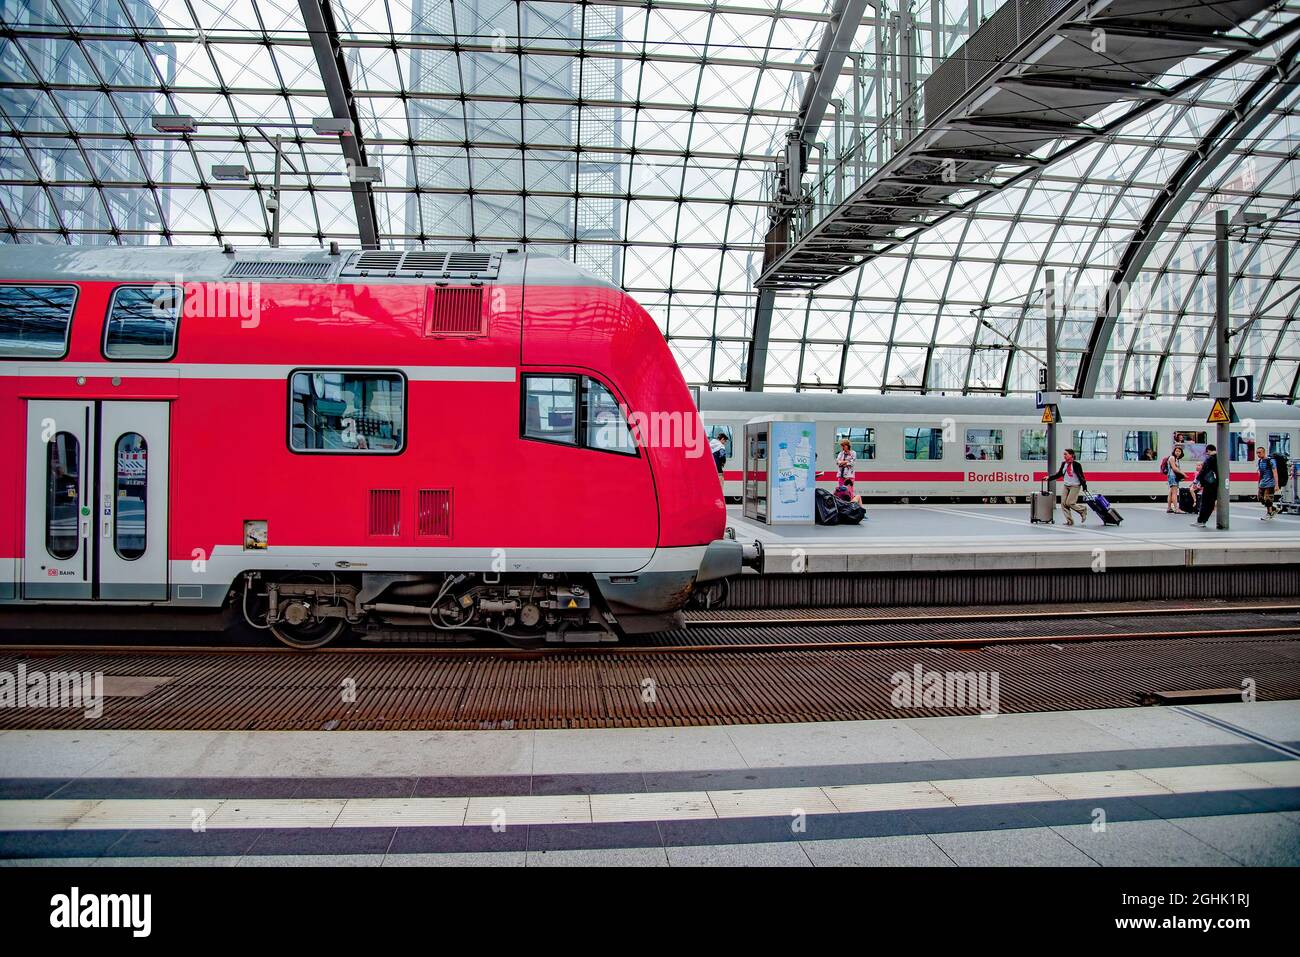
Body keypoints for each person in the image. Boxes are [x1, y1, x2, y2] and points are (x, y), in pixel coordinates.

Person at [1047, 448, 1089, 526]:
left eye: (1066, 454)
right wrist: (1049, 478)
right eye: (1064, 454)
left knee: (1069, 503)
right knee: (1063, 503)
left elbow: (1081, 477)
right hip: (1066, 485)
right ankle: (1070, 521)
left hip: (1075, 486)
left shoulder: (1077, 465)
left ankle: (1083, 510)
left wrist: (1084, 487)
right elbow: (1059, 474)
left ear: (1071, 455)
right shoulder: (1064, 464)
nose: (1064, 456)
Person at [1192, 444, 1219, 528]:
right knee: (1211, 504)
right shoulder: (1220, 458)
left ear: (1208, 451)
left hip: (1209, 484)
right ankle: (1204, 520)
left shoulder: (1209, 459)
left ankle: (1200, 521)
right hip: (1216, 484)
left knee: (1204, 503)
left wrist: (1196, 481)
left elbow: (1203, 471)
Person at [1256, 446, 1280, 521]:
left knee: (1268, 499)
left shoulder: (1271, 461)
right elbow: (1261, 474)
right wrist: (1259, 484)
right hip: (1262, 483)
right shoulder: (1260, 461)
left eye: (1259, 452)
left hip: (1270, 483)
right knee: (1260, 498)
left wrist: (1276, 485)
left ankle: (1269, 513)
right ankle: (1274, 509)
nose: (1258, 454)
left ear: (1264, 452)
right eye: (1257, 453)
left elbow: (1275, 473)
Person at [1163, 445, 1188, 513]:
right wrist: (1183, 474)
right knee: (1174, 493)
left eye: (1179, 451)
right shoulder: (1172, 458)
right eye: (1176, 451)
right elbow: (1174, 468)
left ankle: (1169, 508)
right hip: (1172, 476)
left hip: (1173, 476)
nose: (1177, 452)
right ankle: (1177, 509)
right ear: (1174, 451)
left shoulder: (1176, 459)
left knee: (1171, 492)